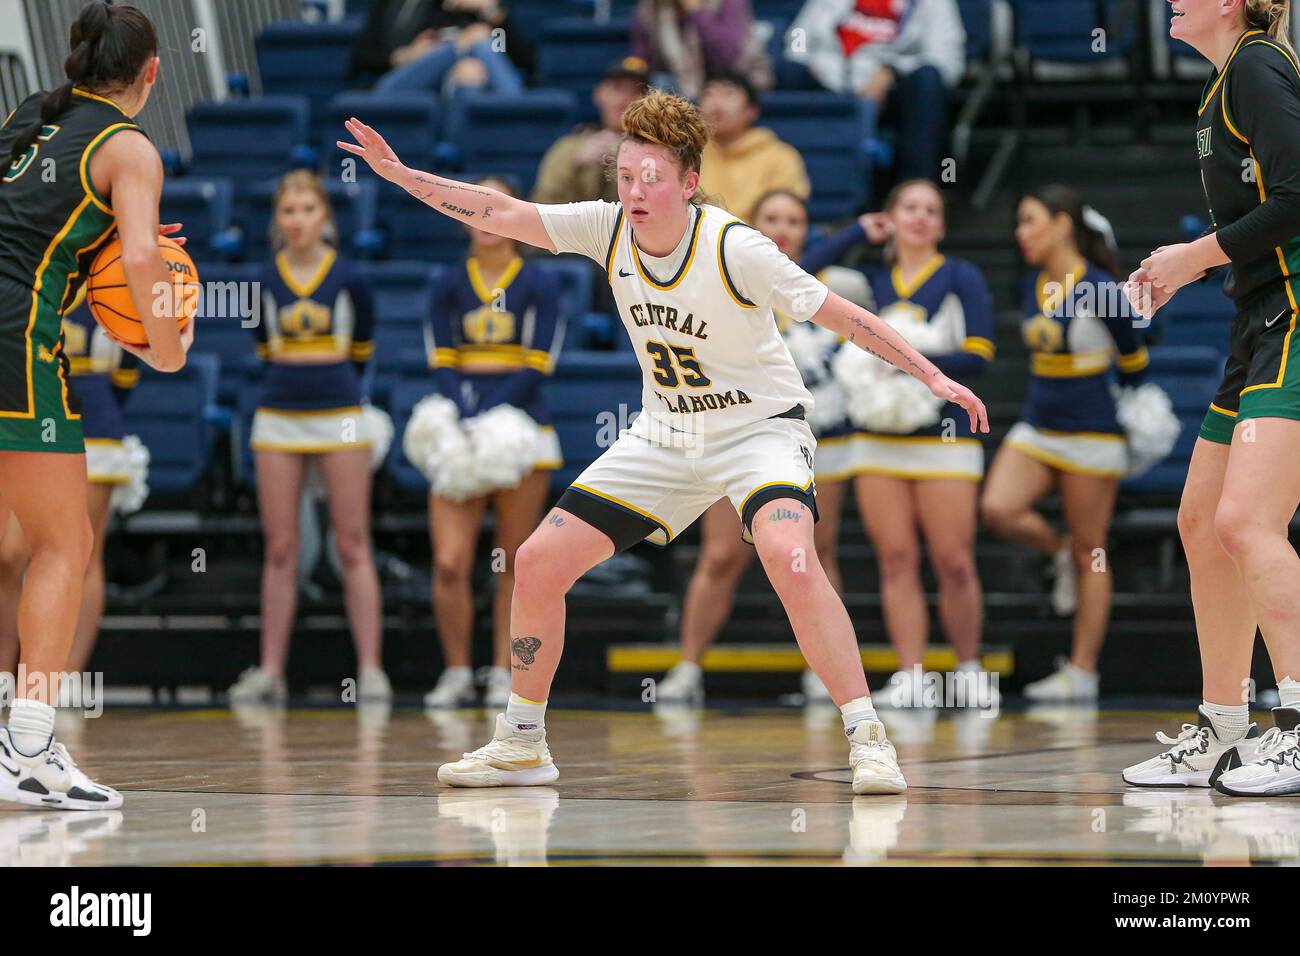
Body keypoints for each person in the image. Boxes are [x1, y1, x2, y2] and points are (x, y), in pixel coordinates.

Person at [339, 89, 988, 794]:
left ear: (689, 182)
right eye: (625, 175)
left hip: (758, 431)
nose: (636, 191)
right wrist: (404, 178)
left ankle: (868, 738)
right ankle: (521, 741)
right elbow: (501, 213)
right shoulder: (605, 226)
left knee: (790, 555)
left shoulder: (737, 247)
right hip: (668, 432)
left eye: (652, 178)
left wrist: (932, 375)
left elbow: (844, 315)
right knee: (537, 562)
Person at [0, 0, 190, 810]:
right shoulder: (127, 145)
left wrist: (91, 268)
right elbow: (143, 257)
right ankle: (32, 746)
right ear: (151, 75)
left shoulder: (24, 117)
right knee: (65, 541)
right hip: (14, 342)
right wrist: (168, 346)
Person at [1122, 0, 1300, 796]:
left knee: (1246, 521)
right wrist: (1184, 264)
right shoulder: (1222, 83)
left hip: (1295, 318)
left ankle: (1296, 725)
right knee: (1200, 520)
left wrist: (1192, 256)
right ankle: (1225, 729)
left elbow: (1299, 196)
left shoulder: (1259, 65)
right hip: (1256, 319)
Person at [655, 188, 873, 706]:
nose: (783, 227)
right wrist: (856, 232)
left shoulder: (834, 286)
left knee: (816, 555)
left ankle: (825, 677)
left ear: (807, 230)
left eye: (794, 220)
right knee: (721, 556)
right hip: (737, 434)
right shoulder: (728, 274)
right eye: (771, 218)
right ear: (752, 226)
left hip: (818, 438)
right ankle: (687, 668)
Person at [981, 185, 1148, 703]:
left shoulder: (1099, 289)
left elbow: (1135, 364)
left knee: (1091, 551)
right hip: (1039, 425)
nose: (1020, 233)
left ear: (1062, 224)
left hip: (1091, 434)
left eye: (1029, 221)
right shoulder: (1031, 282)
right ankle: (1055, 552)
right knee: (997, 507)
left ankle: (1082, 671)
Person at [227, 170, 388, 705]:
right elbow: (264, 349)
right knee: (280, 548)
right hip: (278, 415)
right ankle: (271, 671)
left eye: (308, 209)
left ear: (326, 218)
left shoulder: (351, 279)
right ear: (277, 220)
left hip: (341, 412)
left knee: (353, 542)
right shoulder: (262, 280)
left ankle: (370, 671)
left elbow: (362, 347)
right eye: (288, 211)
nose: (298, 220)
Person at [846, 180, 995, 705]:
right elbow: (806, 272)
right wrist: (856, 232)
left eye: (932, 210)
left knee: (954, 559)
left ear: (943, 224)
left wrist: (907, 363)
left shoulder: (961, 276)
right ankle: (913, 676)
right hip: (877, 439)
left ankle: (970, 669)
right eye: (909, 207)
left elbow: (979, 353)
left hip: (945, 441)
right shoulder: (867, 281)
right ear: (890, 217)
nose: (921, 217)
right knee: (895, 559)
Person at [422, 176, 563, 710]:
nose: (481, 216)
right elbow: (441, 358)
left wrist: (494, 414)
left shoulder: (539, 283)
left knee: (512, 558)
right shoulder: (447, 282)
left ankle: (503, 673)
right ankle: (456, 670)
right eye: (471, 206)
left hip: (521, 431)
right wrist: (465, 414)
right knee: (451, 562)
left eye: (493, 205)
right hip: (459, 428)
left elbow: (539, 362)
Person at [0, 289, 145, 701]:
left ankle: (67, 678)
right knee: (8, 555)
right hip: (25, 422)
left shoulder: (110, 281)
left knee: (79, 552)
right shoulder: (26, 276)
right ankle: (5, 678)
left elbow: (126, 376)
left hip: (94, 425)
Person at [785, 0, 964, 185]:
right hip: (827, 83)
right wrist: (805, 61)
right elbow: (799, 34)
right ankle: (788, 189)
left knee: (928, 80)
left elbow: (946, 61)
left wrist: (893, 72)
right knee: (789, 71)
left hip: (894, 93)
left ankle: (915, 192)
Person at [532, 58, 650, 207]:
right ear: (599, 94)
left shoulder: (659, 153)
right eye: (618, 88)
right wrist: (575, 165)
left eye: (636, 92)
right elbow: (542, 205)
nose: (625, 99)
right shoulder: (569, 148)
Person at [349, 0, 528, 96]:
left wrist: (490, 11)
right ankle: (516, 107)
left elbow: (524, 59)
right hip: (399, 83)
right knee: (477, 43)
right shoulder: (423, 9)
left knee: (469, 74)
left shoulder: (481, 10)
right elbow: (361, 59)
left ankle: (456, 157)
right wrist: (403, 56)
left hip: (455, 84)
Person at [697, 72, 809, 222]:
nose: (717, 104)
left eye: (728, 94)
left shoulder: (781, 156)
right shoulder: (688, 154)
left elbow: (787, 218)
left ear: (751, 111)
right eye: (709, 94)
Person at [631, 0, 772, 100]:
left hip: (736, 78)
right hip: (681, 82)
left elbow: (727, 59)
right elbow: (645, 59)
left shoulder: (730, 3)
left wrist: (696, 12)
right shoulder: (651, 7)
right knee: (655, 84)